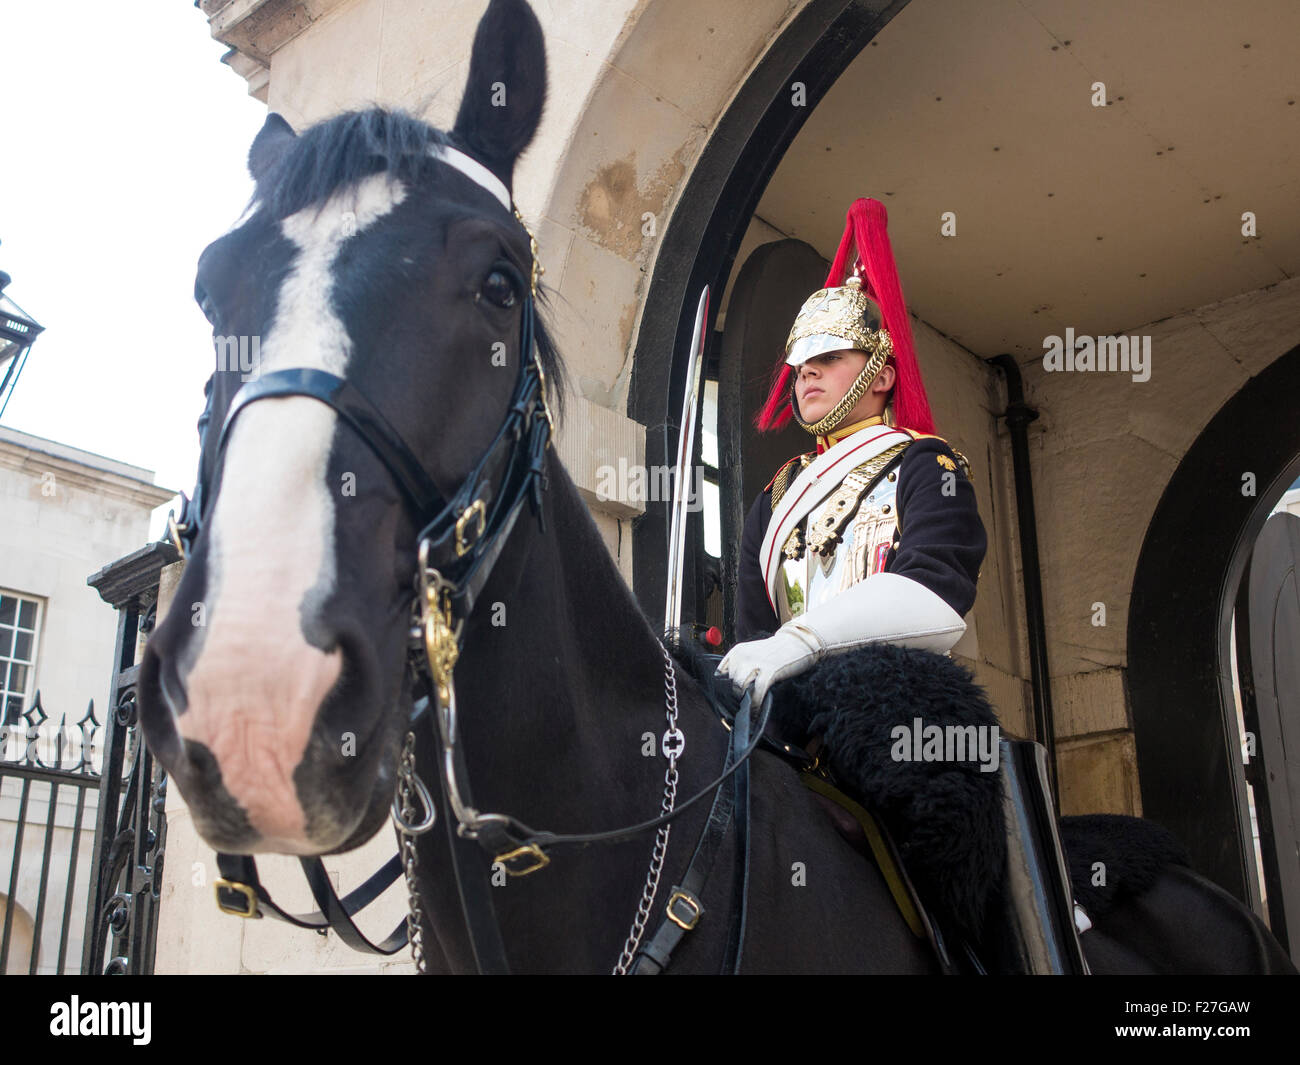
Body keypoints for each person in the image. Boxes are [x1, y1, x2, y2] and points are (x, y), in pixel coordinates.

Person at [718, 197, 987, 702]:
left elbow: (937, 594)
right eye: (801, 365)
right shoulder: (777, 495)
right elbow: (756, 632)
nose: (808, 372)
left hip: (896, 702)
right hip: (791, 712)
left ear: (881, 374)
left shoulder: (925, 465)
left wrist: (801, 640)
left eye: (830, 357)